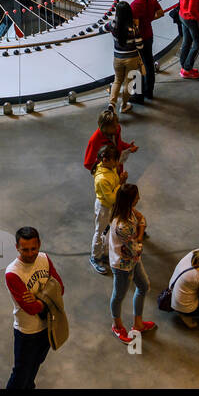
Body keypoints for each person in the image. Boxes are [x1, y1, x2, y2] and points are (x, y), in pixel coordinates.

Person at [4, 226, 62, 389]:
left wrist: (38, 298)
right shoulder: (13, 273)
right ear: (17, 247)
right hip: (27, 333)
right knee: (20, 373)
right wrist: (47, 294)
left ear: (39, 245)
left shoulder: (44, 259)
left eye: (33, 249)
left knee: (35, 365)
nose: (30, 254)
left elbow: (60, 288)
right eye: (25, 250)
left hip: (47, 327)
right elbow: (31, 309)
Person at [108, 184, 154, 342]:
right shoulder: (123, 226)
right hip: (122, 266)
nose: (139, 198)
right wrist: (141, 234)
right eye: (136, 197)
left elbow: (142, 219)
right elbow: (137, 248)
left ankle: (138, 324)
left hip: (133, 261)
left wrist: (140, 230)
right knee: (119, 295)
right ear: (129, 201)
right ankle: (117, 326)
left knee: (144, 286)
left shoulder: (129, 212)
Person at [90, 144, 126, 275]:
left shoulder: (109, 168)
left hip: (110, 207)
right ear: (106, 160)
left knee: (108, 231)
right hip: (104, 208)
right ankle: (95, 257)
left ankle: (104, 253)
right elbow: (111, 198)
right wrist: (120, 184)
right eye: (116, 160)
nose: (118, 163)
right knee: (100, 232)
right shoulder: (102, 178)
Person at [128, 0, 163, 103]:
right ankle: (149, 92)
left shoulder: (135, 4)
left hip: (139, 39)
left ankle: (138, 95)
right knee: (148, 64)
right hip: (149, 35)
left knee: (138, 66)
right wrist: (148, 20)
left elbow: (136, 25)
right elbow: (160, 13)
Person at [105, 0, 144, 114]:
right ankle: (124, 105)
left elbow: (103, 28)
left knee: (117, 80)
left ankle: (112, 104)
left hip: (117, 58)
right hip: (132, 59)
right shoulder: (133, 28)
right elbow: (140, 45)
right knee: (128, 83)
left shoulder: (113, 25)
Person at [83, 106, 137, 173]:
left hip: (118, 167)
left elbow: (118, 143)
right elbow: (88, 164)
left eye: (117, 124)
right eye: (113, 126)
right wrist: (106, 169)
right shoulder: (95, 140)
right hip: (107, 172)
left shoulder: (116, 130)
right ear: (104, 127)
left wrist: (128, 147)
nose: (117, 128)